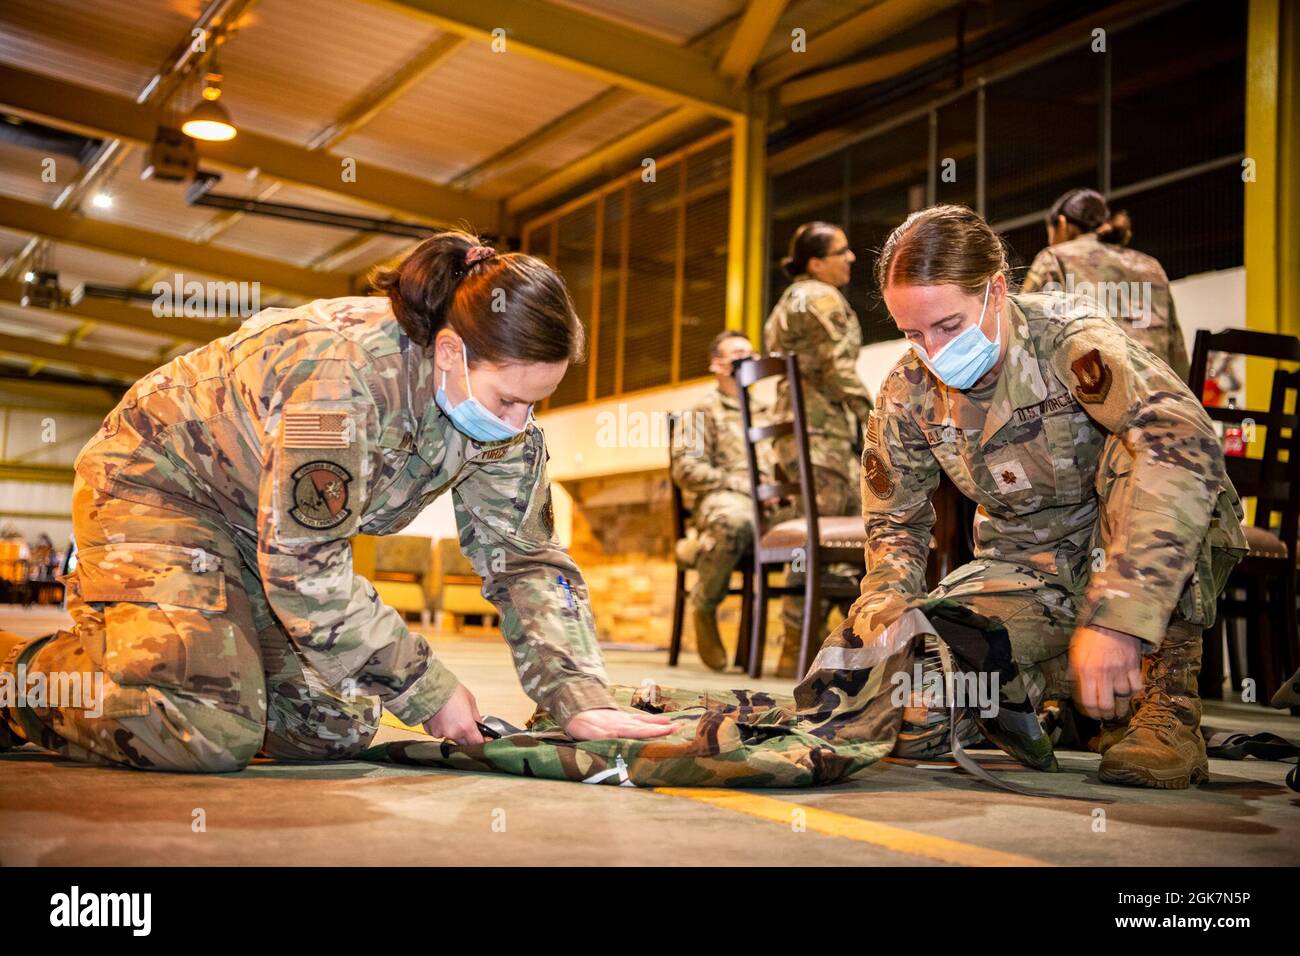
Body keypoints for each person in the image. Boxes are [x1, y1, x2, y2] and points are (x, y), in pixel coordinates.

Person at [0, 230, 673, 771]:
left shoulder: (500, 425)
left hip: (265, 536)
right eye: (509, 399)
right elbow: (303, 571)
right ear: (449, 353)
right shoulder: (338, 378)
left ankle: (169, 651)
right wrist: (429, 687)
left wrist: (576, 695)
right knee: (207, 725)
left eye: (537, 402)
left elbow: (526, 561)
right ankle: (20, 678)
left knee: (333, 727)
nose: (522, 421)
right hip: (162, 490)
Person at [855, 204, 1246, 788]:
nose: (933, 352)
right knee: (912, 716)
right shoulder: (908, 390)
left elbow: (1183, 440)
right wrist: (885, 619)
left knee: (1142, 456)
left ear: (993, 289)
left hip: (1123, 562)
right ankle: (1070, 701)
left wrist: (1118, 615)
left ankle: (1166, 709)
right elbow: (895, 524)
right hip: (1027, 569)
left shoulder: (1069, 341)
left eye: (949, 326)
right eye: (913, 333)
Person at [763, 222, 874, 677]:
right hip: (820, 440)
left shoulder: (789, 301)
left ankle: (808, 643)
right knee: (841, 535)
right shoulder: (820, 298)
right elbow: (836, 367)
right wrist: (877, 415)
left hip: (803, 439)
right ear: (815, 262)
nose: (851, 258)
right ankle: (806, 644)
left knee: (824, 540)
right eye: (842, 251)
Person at [669, 330, 769, 671]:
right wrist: (740, 484)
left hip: (771, 506)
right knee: (734, 522)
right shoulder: (701, 411)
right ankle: (705, 604)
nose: (747, 360)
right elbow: (686, 468)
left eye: (751, 354)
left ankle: (803, 642)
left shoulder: (769, 411)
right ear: (717, 364)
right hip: (723, 500)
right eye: (737, 354)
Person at [1022, 188, 1190, 381]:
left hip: (1098, 394)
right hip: (1159, 393)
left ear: (1062, 223)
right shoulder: (1151, 266)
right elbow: (1175, 348)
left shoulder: (1054, 258)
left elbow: (1023, 331)